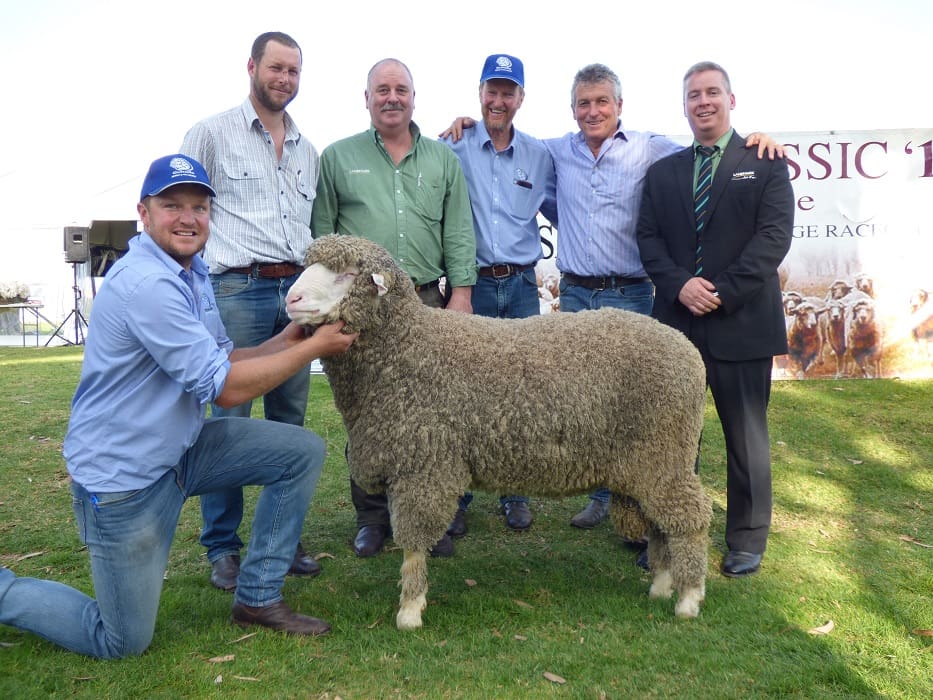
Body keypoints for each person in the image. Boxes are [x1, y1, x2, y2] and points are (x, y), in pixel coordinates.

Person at [0, 155, 357, 658]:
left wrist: (289, 336)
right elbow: (226, 390)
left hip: (181, 453)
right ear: (144, 213)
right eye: (172, 206)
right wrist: (314, 348)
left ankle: (256, 599)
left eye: (199, 206)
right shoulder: (148, 284)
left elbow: (224, 358)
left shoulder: (190, 271)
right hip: (126, 482)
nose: (188, 217)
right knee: (120, 641)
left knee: (299, 451)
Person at [311, 58, 477, 558]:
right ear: (366, 98)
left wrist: (462, 294)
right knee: (366, 416)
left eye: (400, 89)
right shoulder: (338, 158)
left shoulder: (443, 159)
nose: (391, 97)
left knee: (436, 418)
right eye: (381, 89)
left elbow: (458, 229)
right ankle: (372, 517)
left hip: (426, 301)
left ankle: (436, 518)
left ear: (413, 97)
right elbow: (323, 236)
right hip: (361, 311)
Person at [636, 61, 793, 577]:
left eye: (712, 93)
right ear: (685, 105)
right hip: (677, 324)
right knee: (671, 438)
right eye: (693, 95)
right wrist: (680, 284)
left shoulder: (765, 162)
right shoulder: (664, 172)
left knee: (745, 437)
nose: (703, 102)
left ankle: (747, 538)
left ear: (730, 99)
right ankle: (667, 531)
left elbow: (772, 240)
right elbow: (649, 239)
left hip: (742, 321)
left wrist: (720, 293)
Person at [180, 31, 321, 591]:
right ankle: (222, 548)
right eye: (276, 68)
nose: (284, 79)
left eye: (294, 71)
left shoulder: (309, 149)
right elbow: (183, 212)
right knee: (229, 424)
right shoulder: (211, 134)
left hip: (295, 289)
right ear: (252, 68)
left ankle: (282, 538)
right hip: (236, 289)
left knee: (289, 423)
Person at [438, 53, 558, 537]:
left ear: (521, 99)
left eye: (509, 92)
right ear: (480, 93)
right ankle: (459, 496)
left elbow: (564, 205)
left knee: (523, 391)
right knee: (466, 392)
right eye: (492, 90)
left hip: (523, 285)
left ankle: (515, 493)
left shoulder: (539, 156)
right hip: (474, 284)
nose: (499, 100)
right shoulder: (452, 147)